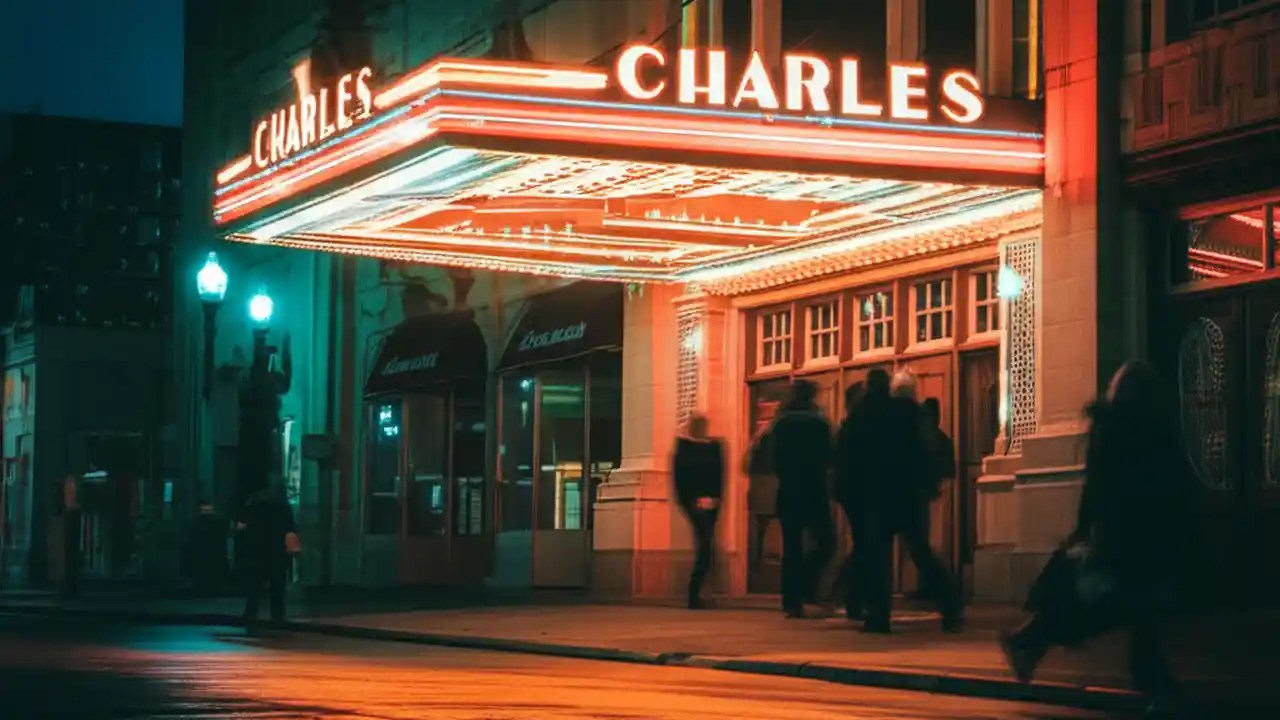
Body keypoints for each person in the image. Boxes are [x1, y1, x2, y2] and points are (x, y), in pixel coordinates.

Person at [1001, 362, 1191, 718]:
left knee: (1118, 610)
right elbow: (1120, 490)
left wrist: (1087, 531)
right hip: (1126, 540)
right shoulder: (1135, 433)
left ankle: (1028, 640)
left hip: (1123, 538)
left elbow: (1100, 490)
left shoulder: (1115, 431)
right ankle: (1159, 686)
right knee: (1125, 610)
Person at [854, 370, 963, 633]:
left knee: (879, 554)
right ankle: (950, 605)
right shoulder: (918, 416)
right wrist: (928, 483)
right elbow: (927, 451)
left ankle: (879, 617)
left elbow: (870, 453)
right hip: (912, 492)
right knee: (921, 551)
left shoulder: (883, 414)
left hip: (884, 491)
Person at [770, 380, 835, 618]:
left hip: (788, 491)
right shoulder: (818, 422)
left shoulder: (781, 423)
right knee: (826, 542)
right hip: (814, 490)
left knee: (792, 548)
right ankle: (807, 587)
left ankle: (791, 600)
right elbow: (830, 455)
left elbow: (773, 458)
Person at [672, 413, 724, 609]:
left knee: (707, 548)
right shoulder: (684, 450)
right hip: (696, 505)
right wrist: (692, 502)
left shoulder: (713, 448)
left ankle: (701, 593)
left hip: (711, 504)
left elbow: (719, 477)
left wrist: (716, 500)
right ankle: (695, 594)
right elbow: (681, 482)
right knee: (705, 548)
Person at [912, 397, 956, 600]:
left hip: (931, 495)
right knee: (924, 545)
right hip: (931, 494)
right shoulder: (940, 440)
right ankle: (932, 588)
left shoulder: (929, 440)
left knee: (926, 545)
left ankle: (939, 591)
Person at [237, 484, 298, 623]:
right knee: (277, 587)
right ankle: (277, 616)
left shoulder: (254, 508)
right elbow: (291, 529)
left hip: (258, 551)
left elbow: (241, 527)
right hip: (278, 552)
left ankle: (250, 614)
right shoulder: (283, 508)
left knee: (255, 587)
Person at [834, 381, 869, 620]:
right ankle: (849, 594)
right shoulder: (857, 427)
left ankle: (852, 597)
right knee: (866, 546)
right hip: (861, 494)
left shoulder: (847, 428)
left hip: (853, 494)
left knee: (864, 545)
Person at [60, 474, 82, 599]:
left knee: (70, 555)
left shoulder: (69, 481)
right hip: (72, 514)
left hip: (70, 514)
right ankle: (71, 586)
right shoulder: (73, 482)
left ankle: (70, 586)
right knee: (71, 555)